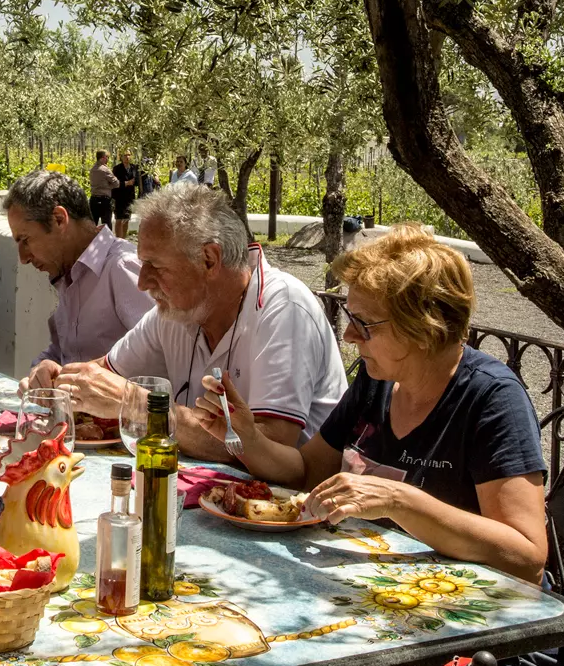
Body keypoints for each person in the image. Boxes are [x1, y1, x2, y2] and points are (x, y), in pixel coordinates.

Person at [207, 224, 548, 583]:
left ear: (422, 326)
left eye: (364, 324)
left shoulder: (492, 399)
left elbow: (526, 557)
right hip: (379, 594)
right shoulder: (378, 380)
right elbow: (307, 472)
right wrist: (247, 437)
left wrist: (399, 500)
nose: (349, 335)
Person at [48, 182, 346, 461]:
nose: (141, 282)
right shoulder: (178, 310)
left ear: (209, 260)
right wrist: (55, 380)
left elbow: (270, 448)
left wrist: (143, 407)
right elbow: (100, 375)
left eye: (155, 266)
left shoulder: (283, 308)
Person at [7, 170, 154, 383]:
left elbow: (163, 358)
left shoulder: (121, 266)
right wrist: (43, 368)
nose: (23, 258)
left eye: (26, 240)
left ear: (59, 219)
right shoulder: (69, 273)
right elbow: (65, 354)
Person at [88, 149, 119, 229]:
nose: (108, 159)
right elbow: (116, 183)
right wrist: (108, 186)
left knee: (92, 226)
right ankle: (107, 241)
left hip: (93, 200)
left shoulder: (92, 169)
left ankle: (92, 241)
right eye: (107, 157)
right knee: (107, 226)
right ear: (103, 157)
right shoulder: (105, 170)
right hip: (104, 201)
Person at [112, 151, 138, 239]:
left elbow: (137, 181)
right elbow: (114, 183)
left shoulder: (134, 167)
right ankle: (118, 239)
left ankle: (123, 239)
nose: (127, 157)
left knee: (126, 220)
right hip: (119, 197)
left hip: (129, 197)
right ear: (121, 157)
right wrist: (126, 183)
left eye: (129, 155)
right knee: (118, 219)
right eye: (125, 155)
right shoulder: (117, 168)